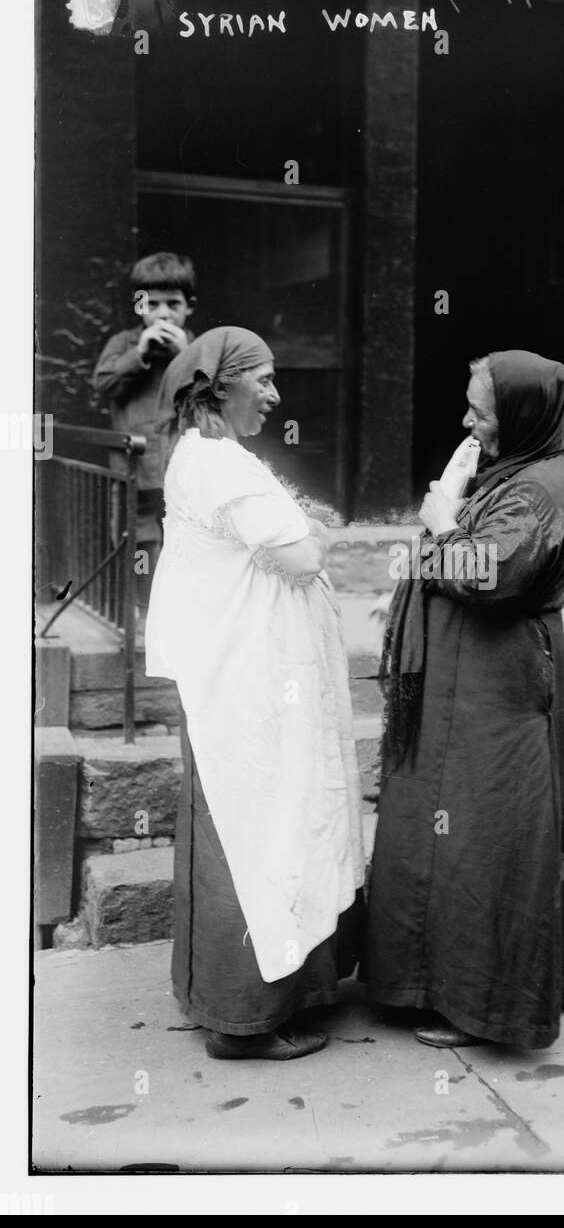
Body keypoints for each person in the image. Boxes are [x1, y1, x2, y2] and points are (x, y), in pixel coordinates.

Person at [365, 350, 564, 1049]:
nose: (467, 420)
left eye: (481, 410)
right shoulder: (512, 471)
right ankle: (428, 980)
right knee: (452, 825)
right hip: (465, 683)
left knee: (484, 834)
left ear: (523, 416)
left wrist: (442, 520)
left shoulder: (540, 489)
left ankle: (485, 1001)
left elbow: (490, 572)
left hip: (496, 688)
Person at [144, 327, 364, 1059]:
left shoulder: (214, 458)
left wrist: (300, 526)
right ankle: (245, 1019)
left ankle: (235, 998)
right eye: (262, 380)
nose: (274, 395)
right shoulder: (217, 463)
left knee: (250, 822)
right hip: (247, 678)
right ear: (220, 387)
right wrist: (313, 531)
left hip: (249, 672)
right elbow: (301, 550)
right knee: (257, 828)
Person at [92, 252, 197, 613]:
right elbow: (104, 384)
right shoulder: (124, 343)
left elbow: (212, 397)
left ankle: (178, 610)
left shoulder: (197, 348)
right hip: (134, 468)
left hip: (180, 468)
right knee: (139, 541)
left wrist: (186, 355)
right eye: (152, 304)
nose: (163, 314)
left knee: (183, 538)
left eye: (173, 304)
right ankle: (143, 609)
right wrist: (140, 353)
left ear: (189, 307)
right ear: (138, 305)